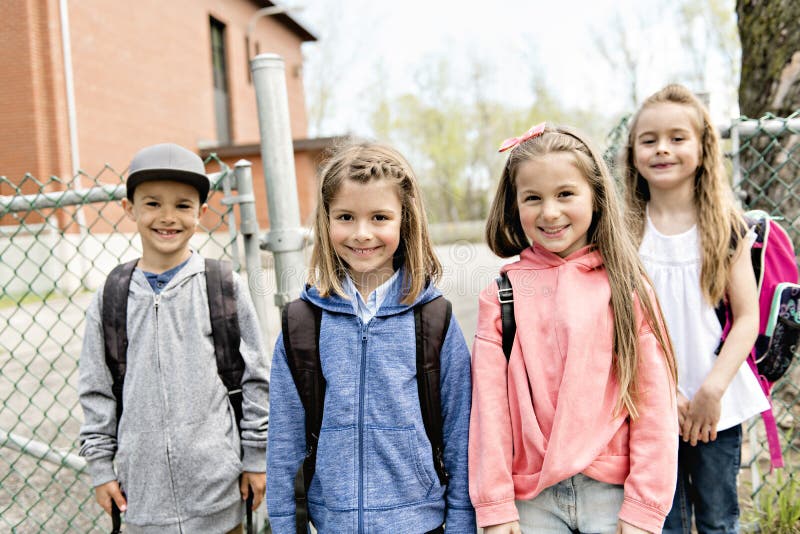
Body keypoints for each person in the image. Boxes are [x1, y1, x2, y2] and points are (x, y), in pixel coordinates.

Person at [470, 123, 679, 534]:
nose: (549, 212)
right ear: (515, 206)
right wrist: (495, 505)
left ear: (597, 197)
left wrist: (645, 507)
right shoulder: (501, 296)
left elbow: (654, 406)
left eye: (565, 194)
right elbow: (489, 412)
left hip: (612, 492)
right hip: (532, 500)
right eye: (533, 198)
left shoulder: (627, 288)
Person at [266, 141, 475, 533]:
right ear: (326, 222)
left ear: (404, 221)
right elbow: (284, 443)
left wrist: (463, 523)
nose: (362, 234)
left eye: (380, 217)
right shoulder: (302, 324)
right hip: (332, 523)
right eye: (346, 217)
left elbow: (460, 434)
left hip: (421, 523)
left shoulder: (433, 319)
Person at [78, 142, 268, 533]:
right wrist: (100, 468)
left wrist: (256, 458)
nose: (168, 217)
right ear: (129, 208)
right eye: (152, 204)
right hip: (145, 503)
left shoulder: (223, 286)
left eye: (182, 205)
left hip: (220, 496)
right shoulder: (111, 297)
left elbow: (257, 381)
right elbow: (96, 390)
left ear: (200, 212)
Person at [622, 84, 770, 533]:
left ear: (704, 149)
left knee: (718, 519)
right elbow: (618, 322)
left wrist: (711, 391)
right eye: (649, 140)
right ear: (632, 153)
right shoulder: (622, 230)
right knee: (660, 520)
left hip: (714, 406)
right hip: (647, 403)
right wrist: (666, 395)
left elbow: (747, 319)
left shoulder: (725, 228)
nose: (662, 148)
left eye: (677, 137)